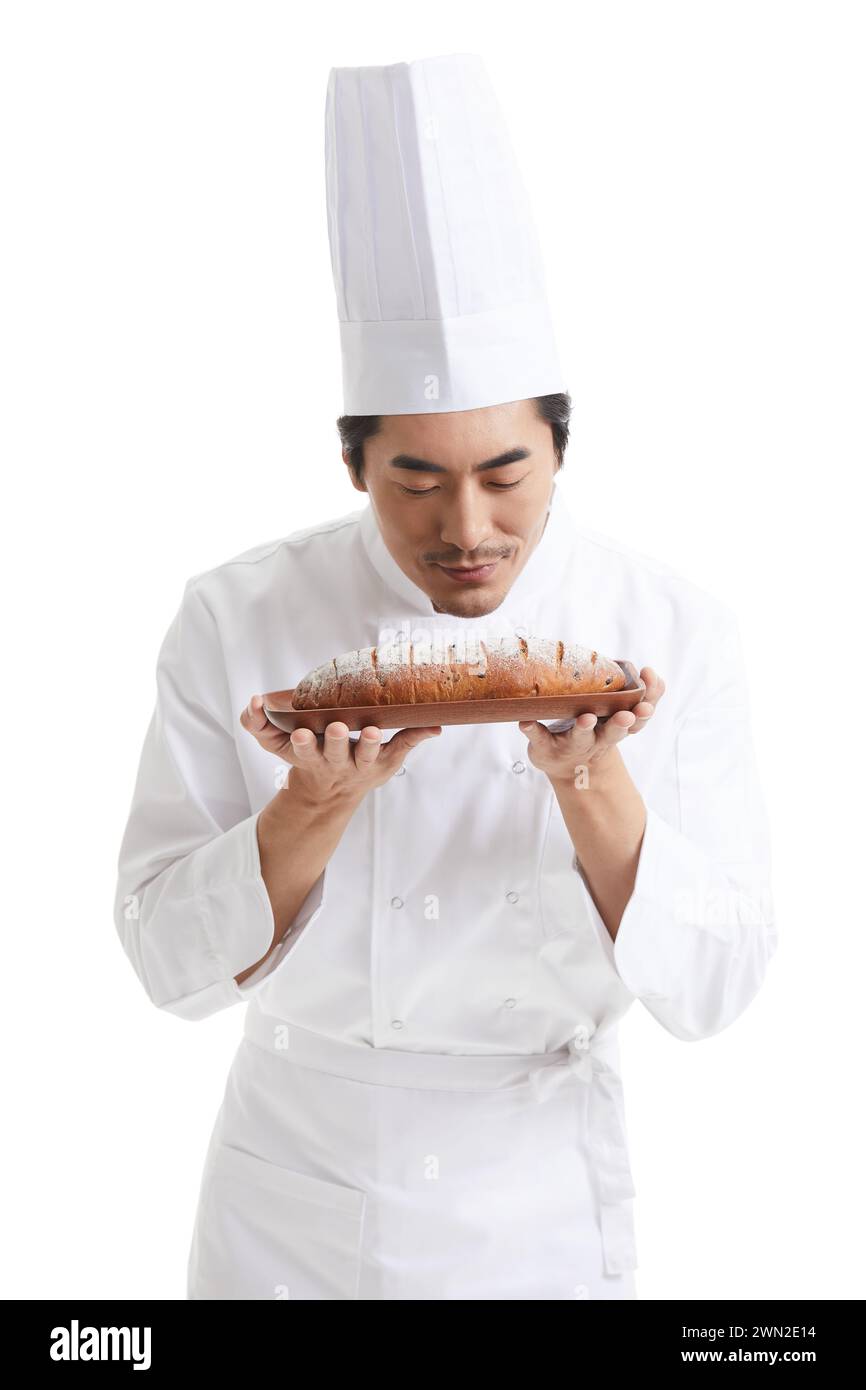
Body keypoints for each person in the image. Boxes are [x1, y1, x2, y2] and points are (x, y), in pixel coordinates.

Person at [114, 55, 776, 1301]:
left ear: (559, 444)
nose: (464, 525)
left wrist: (593, 789)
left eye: (506, 473)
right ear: (355, 460)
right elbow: (160, 960)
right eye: (414, 478)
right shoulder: (235, 615)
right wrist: (307, 808)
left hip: (534, 1207)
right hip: (289, 1208)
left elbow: (720, 981)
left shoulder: (667, 627)